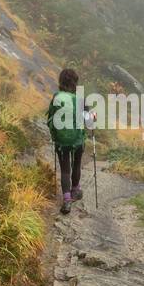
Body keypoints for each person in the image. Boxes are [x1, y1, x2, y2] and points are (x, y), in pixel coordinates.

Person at [46, 68, 94, 214]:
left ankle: (66, 200)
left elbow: (50, 120)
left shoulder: (56, 98)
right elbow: (88, 123)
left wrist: (55, 136)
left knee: (65, 169)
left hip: (61, 140)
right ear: (75, 82)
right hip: (77, 139)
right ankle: (75, 190)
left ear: (61, 81)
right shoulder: (80, 99)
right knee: (77, 164)